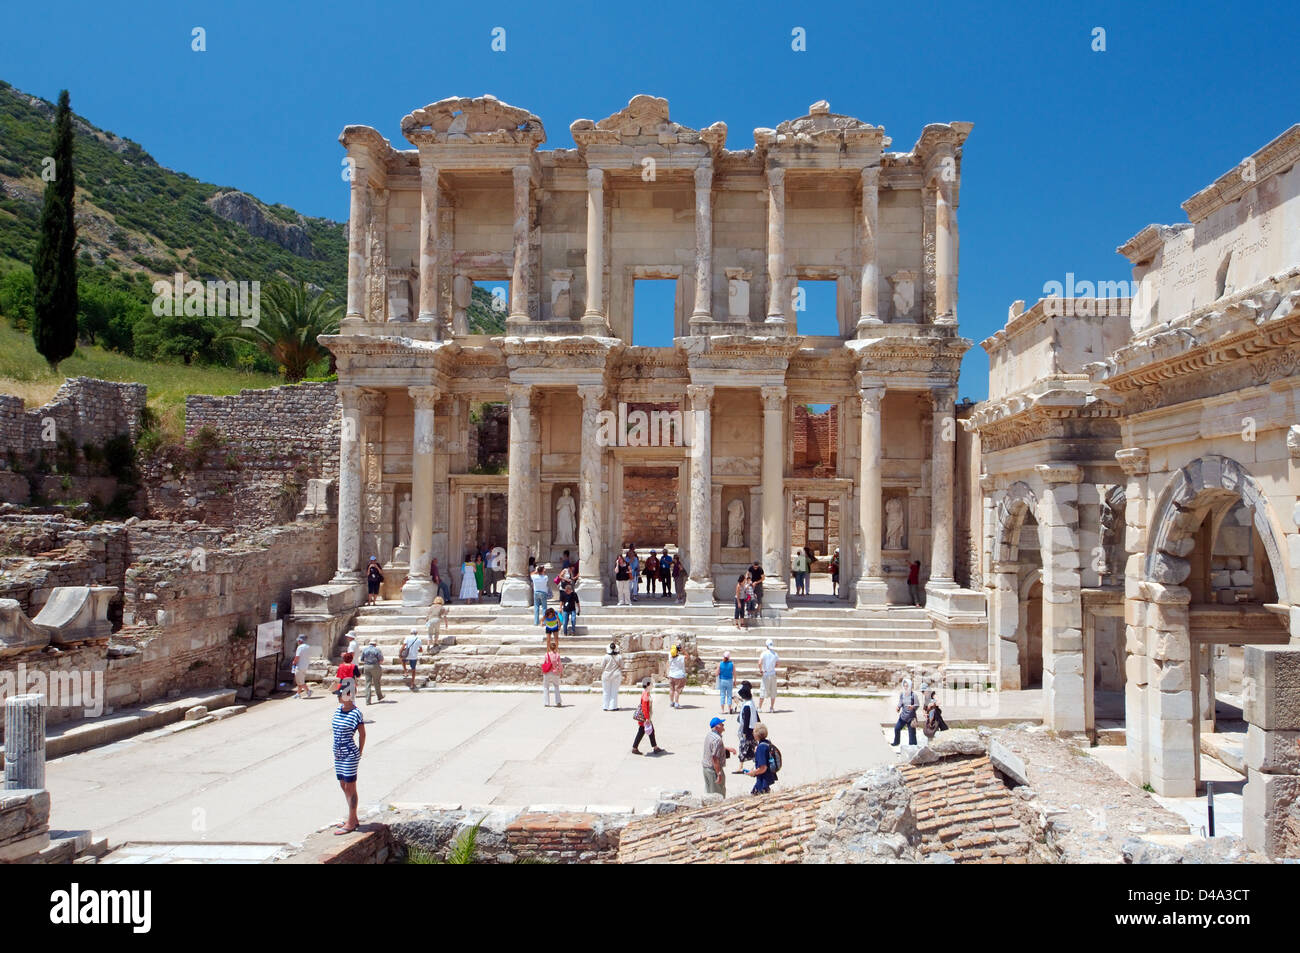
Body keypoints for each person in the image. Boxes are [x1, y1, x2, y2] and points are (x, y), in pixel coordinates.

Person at [331, 677, 365, 833]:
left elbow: (362, 734)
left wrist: (359, 751)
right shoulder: (338, 710)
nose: (338, 696)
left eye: (341, 694)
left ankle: (351, 822)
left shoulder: (356, 713)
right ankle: (353, 817)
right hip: (338, 753)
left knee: (350, 786)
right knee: (343, 784)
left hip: (349, 753)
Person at [703, 717, 735, 797]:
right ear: (717, 727)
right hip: (713, 770)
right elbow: (715, 758)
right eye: (722, 724)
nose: (723, 726)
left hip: (706, 768)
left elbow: (712, 749)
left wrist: (727, 748)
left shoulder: (709, 735)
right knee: (718, 795)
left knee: (709, 792)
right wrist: (719, 774)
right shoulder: (717, 740)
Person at [743, 723, 778, 794]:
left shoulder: (761, 747)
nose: (752, 733)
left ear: (757, 734)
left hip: (762, 781)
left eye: (753, 732)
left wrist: (753, 772)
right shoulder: (767, 743)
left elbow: (763, 768)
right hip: (767, 779)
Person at [631, 677, 663, 755]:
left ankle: (654, 747)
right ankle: (636, 748)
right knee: (645, 732)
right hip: (645, 718)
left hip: (645, 718)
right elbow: (645, 708)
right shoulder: (645, 695)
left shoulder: (645, 692)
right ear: (648, 684)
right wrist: (647, 719)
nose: (652, 685)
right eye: (651, 683)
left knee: (645, 732)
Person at [735, 681, 760, 771]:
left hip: (747, 730)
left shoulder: (747, 706)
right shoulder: (750, 703)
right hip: (753, 729)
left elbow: (746, 720)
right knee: (754, 748)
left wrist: (745, 732)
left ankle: (740, 767)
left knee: (743, 748)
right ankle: (756, 765)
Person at [892, 678, 920, 746]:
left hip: (911, 718)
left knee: (912, 734)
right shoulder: (902, 694)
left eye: (907, 686)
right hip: (903, 716)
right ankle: (896, 742)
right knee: (897, 728)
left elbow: (917, 704)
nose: (905, 687)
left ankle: (913, 747)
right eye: (904, 686)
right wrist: (898, 707)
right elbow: (901, 702)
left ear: (910, 686)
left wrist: (913, 707)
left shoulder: (914, 695)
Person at [360, 637, 384, 705]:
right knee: (377, 682)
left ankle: (368, 701)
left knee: (368, 683)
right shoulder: (377, 650)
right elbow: (381, 660)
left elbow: (362, 659)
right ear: (375, 644)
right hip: (375, 666)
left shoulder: (365, 650)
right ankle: (379, 696)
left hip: (366, 666)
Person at [601, 642, 623, 711]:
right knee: (614, 691)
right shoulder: (619, 657)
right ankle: (613, 706)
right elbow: (622, 666)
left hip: (606, 675)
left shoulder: (605, 656)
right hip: (616, 675)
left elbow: (602, 666)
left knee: (606, 691)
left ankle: (605, 706)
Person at [758, 639, 779, 713]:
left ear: (766, 646)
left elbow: (759, 663)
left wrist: (761, 670)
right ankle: (771, 708)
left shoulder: (763, 653)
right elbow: (777, 664)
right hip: (772, 673)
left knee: (763, 690)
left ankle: (759, 707)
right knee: (773, 691)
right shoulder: (775, 654)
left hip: (766, 674)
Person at [541, 640, 563, 707]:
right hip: (555, 672)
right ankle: (558, 701)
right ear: (555, 648)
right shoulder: (557, 655)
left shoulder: (546, 655)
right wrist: (560, 671)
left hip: (547, 672)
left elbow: (545, 662)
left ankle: (546, 702)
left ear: (549, 648)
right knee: (556, 686)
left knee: (546, 687)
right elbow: (559, 664)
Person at [400, 627, 422, 691]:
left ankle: (405, 671)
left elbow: (403, 646)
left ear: (411, 633)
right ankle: (412, 683)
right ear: (416, 633)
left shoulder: (407, 638)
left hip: (407, 655)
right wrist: (416, 649)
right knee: (413, 670)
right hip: (414, 656)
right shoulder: (418, 639)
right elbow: (421, 650)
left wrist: (400, 652)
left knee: (402, 660)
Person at [667, 642, 687, 708]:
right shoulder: (681, 657)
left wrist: (675, 647)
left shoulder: (670, 656)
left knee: (671, 690)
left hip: (671, 675)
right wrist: (683, 650)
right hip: (679, 676)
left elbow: (671, 651)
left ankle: (671, 702)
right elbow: (688, 657)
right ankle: (676, 704)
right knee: (677, 691)